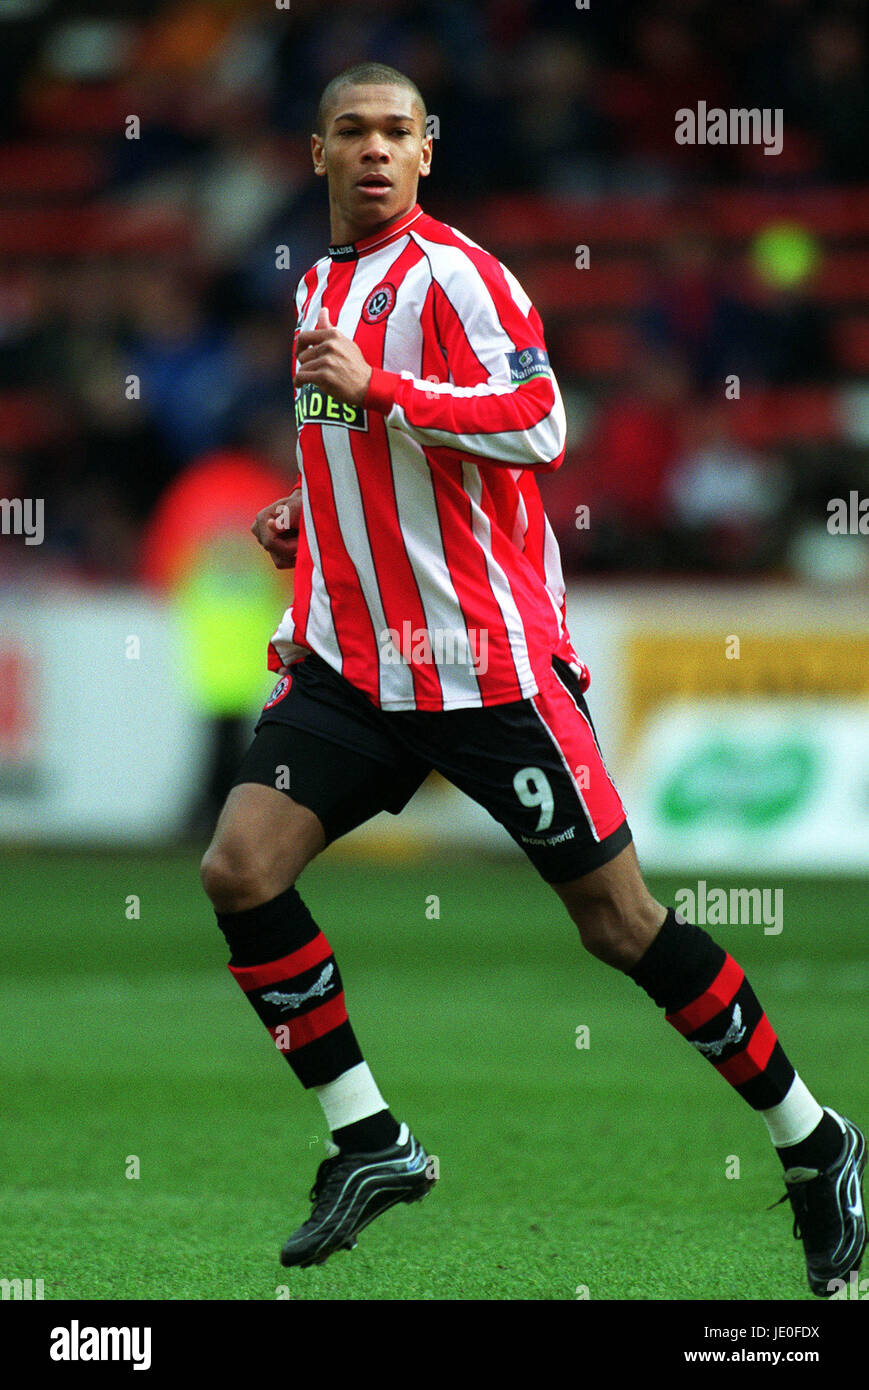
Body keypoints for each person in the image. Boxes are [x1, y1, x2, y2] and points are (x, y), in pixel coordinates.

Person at [200, 62, 865, 1292]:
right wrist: (315, 517)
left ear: (428, 150)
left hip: (486, 667)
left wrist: (385, 388)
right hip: (360, 667)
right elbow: (376, 461)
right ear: (315, 154)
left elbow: (538, 423)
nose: (374, 152)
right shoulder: (317, 287)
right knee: (239, 866)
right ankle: (369, 1138)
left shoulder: (455, 277)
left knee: (618, 925)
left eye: (396, 132)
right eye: (350, 132)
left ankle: (814, 1138)